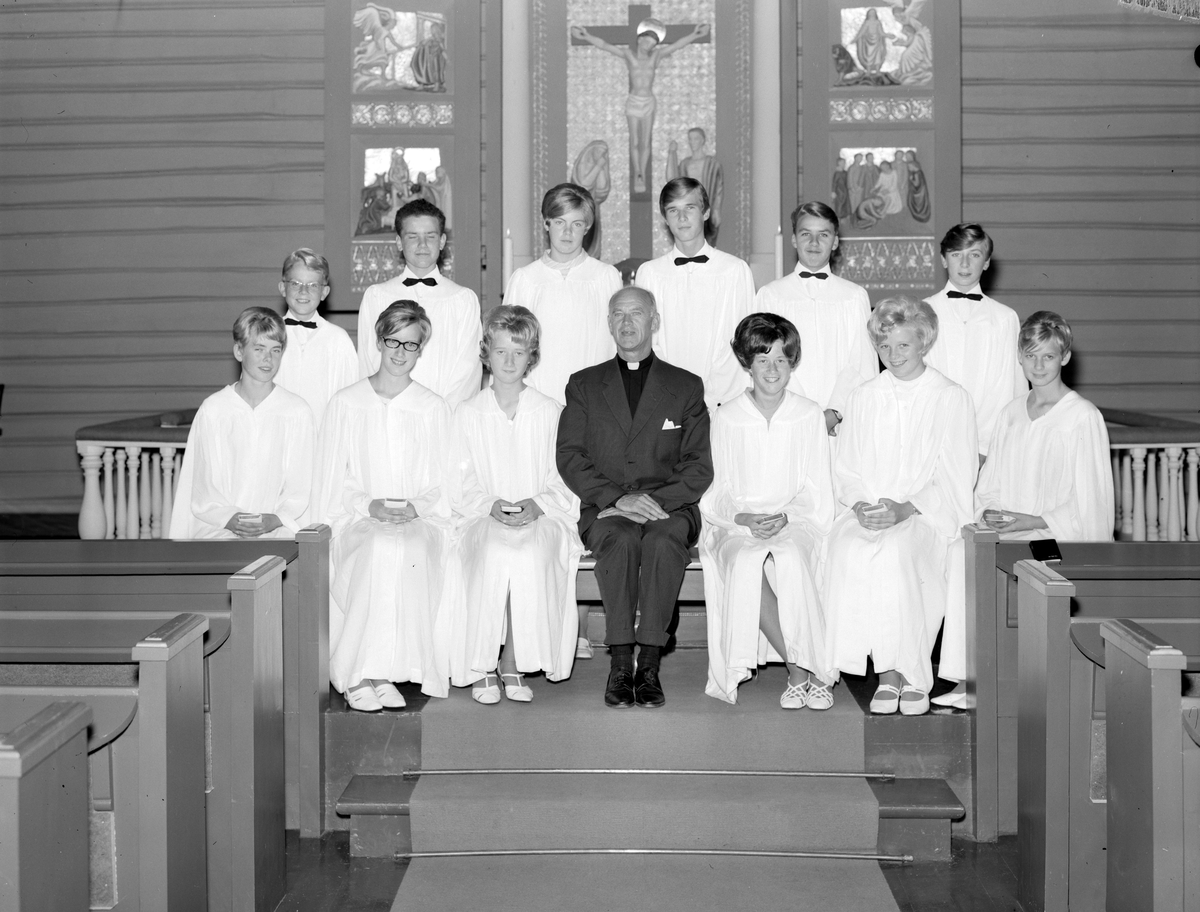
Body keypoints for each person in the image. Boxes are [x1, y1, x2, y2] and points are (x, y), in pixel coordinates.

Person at [933, 312, 1115, 709]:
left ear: (1064, 357)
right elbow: (992, 482)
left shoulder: (1082, 417)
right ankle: (969, 677)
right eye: (1031, 355)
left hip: (1055, 537)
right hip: (1011, 529)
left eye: (1048, 356)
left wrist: (1032, 520)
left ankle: (1011, 679)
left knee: (1026, 568)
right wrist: (995, 512)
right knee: (959, 554)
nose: (1038, 365)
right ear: (1019, 356)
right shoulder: (1012, 412)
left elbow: (1091, 502)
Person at [556, 286, 713, 709]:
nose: (627, 323)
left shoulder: (685, 386)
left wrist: (656, 503)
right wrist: (617, 499)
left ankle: (650, 664)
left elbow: (699, 465)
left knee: (662, 541)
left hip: (671, 506)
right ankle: (620, 662)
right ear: (609, 324)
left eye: (637, 314)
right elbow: (570, 456)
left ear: (654, 321)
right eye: (618, 315)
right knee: (621, 540)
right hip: (607, 508)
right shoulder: (585, 384)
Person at [823, 297, 977, 716]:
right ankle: (885, 675)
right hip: (869, 511)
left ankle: (911, 676)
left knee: (895, 554)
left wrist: (906, 509)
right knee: (848, 550)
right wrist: (859, 506)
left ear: (924, 343)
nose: (893, 356)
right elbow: (846, 467)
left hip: (924, 514)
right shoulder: (863, 396)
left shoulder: (950, 397)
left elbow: (956, 476)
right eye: (885, 347)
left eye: (903, 346)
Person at [313, 301, 453, 711]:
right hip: (358, 518)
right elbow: (332, 478)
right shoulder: (346, 403)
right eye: (393, 340)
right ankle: (357, 673)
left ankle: (385, 669)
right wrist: (366, 505)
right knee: (377, 549)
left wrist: (416, 506)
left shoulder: (432, 407)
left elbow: (443, 482)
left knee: (407, 548)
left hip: (417, 518)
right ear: (378, 339)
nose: (399, 352)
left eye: (410, 345)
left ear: (421, 349)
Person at [448, 306, 584, 704]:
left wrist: (539, 504)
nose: (509, 361)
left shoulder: (551, 412)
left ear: (532, 356)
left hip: (542, 515)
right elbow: (459, 478)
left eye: (519, 352)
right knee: (491, 551)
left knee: (526, 551)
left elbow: (565, 476)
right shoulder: (468, 413)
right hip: (481, 513)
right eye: (501, 351)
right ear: (486, 353)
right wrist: (489, 504)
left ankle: (511, 661)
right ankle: (483, 665)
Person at [700, 314, 836, 708]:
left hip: (796, 519)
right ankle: (803, 669)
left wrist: (787, 517)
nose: (772, 368)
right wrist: (743, 518)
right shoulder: (727, 416)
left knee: (791, 556)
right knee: (747, 561)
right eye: (762, 359)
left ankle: (808, 667)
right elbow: (718, 488)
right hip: (737, 523)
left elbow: (817, 488)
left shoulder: (809, 414)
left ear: (792, 362)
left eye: (780, 358)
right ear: (747, 363)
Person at [169, 307, 313, 540]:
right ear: (239, 351)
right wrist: (230, 518)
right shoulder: (215, 410)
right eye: (259, 349)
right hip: (220, 528)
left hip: (277, 528)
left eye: (275, 350)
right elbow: (202, 485)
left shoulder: (296, 411)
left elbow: (301, 485)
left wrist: (276, 518)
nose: (268, 359)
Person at [754, 202, 878, 436]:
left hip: (839, 423)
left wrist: (834, 413)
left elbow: (862, 362)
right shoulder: (770, 295)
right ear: (794, 240)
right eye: (805, 234)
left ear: (835, 242)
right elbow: (764, 359)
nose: (813, 243)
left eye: (823, 234)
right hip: (786, 418)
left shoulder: (854, 296)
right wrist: (798, 410)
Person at [635, 177, 754, 411]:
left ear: (706, 213)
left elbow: (740, 339)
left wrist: (711, 398)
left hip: (723, 400)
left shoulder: (734, 270)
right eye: (673, 210)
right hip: (665, 401)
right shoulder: (650, 273)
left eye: (690, 208)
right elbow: (648, 342)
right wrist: (673, 394)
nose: (682, 218)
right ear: (665, 219)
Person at [503, 183, 622, 407]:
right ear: (547, 223)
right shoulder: (526, 279)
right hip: (535, 400)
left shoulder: (605, 277)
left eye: (576, 224)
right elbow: (507, 346)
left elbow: (615, 345)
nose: (567, 232)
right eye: (559, 222)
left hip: (593, 401)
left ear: (587, 228)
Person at [356, 199, 482, 407]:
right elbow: (368, 362)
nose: (422, 245)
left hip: (443, 419)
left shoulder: (463, 300)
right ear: (399, 242)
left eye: (430, 237)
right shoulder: (377, 296)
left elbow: (467, 372)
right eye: (413, 237)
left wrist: (441, 416)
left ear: (442, 241)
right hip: (387, 413)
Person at [570, 19, 710, 194]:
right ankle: (638, 172)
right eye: (646, 42)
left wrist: (695, 34)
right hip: (634, 101)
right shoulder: (629, 55)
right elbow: (605, 46)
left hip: (648, 101)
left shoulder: (656, 56)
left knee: (646, 140)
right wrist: (586, 36)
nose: (648, 46)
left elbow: (676, 46)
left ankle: (642, 173)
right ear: (640, 40)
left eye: (652, 44)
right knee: (635, 140)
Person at [923, 223, 1026, 458]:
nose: (965, 264)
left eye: (975, 255)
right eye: (956, 254)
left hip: (988, 444)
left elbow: (1012, 386)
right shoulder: (924, 312)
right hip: (933, 440)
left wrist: (988, 448)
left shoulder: (1004, 318)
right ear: (943, 260)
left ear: (987, 262)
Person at [273, 248, 357, 432]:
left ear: (324, 292)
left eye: (312, 285)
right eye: (295, 283)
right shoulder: (267, 335)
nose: (303, 291)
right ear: (282, 288)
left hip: (321, 440)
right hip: (275, 437)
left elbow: (349, 402)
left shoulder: (338, 340)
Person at [666, 127, 723, 245]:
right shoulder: (685, 164)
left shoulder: (712, 164)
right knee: (690, 242)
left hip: (707, 209)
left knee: (707, 243)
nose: (692, 142)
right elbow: (672, 180)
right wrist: (672, 153)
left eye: (696, 139)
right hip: (689, 209)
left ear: (703, 140)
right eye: (690, 139)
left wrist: (716, 208)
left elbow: (719, 188)